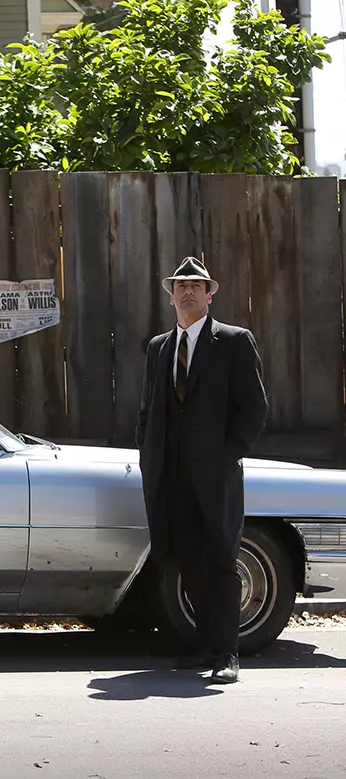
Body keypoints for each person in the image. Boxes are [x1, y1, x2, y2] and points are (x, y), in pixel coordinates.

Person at [135, 257, 268, 684]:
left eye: (197, 285)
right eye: (181, 285)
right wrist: (149, 454)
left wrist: (227, 456)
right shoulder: (158, 347)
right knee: (186, 561)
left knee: (221, 560)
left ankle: (228, 652)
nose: (188, 291)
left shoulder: (233, 341)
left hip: (217, 475)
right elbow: (148, 411)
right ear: (171, 294)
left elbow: (254, 409)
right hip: (171, 477)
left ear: (210, 293)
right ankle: (205, 646)